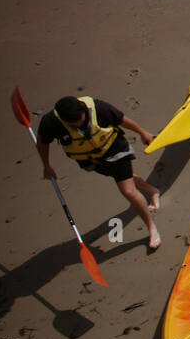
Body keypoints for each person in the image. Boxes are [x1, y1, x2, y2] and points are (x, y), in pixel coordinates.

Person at [37, 95, 162, 250]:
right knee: (124, 179)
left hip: (116, 149)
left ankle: (151, 228)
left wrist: (142, 132)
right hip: (92, 160)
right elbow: (42, 142)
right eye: (73, 124)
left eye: (81, 120)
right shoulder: (51, 122)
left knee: (128, 191)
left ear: (83, 109)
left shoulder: (98, 108)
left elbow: (122, 119)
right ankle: (153, 191)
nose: (79, 124)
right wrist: (46, 166)